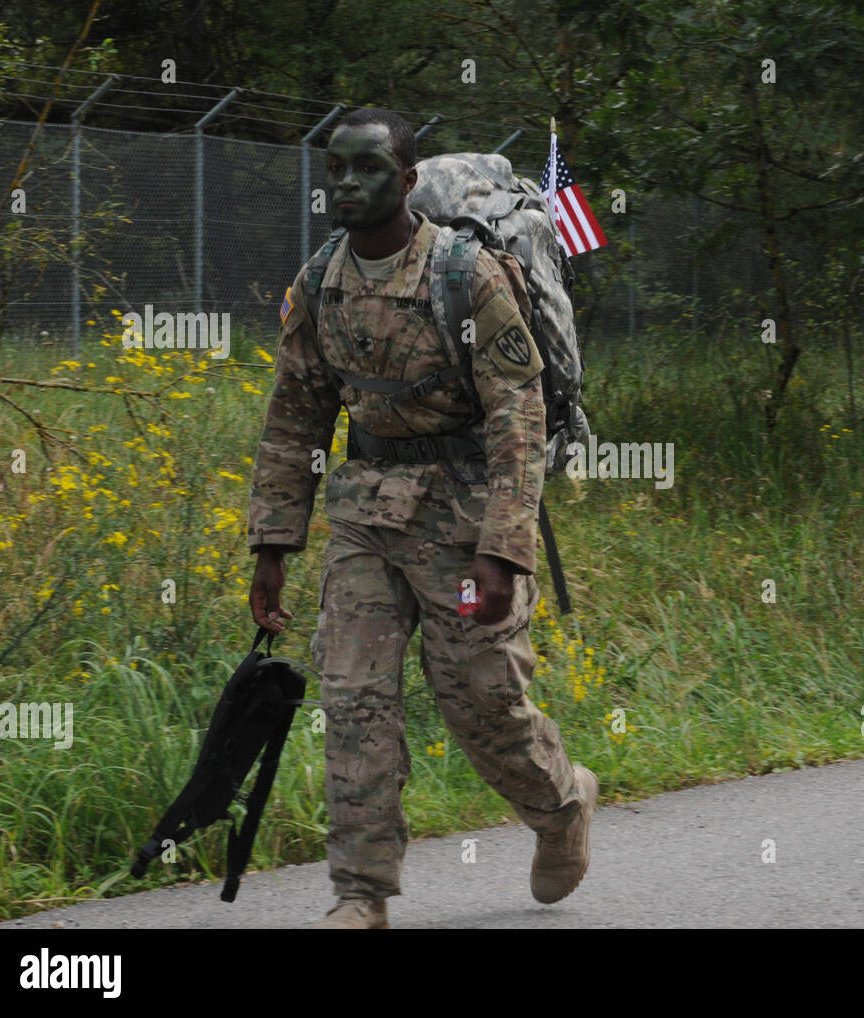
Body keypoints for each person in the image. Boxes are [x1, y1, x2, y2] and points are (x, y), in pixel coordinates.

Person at [246, 107, 598, 929]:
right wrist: (273, 543)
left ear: (406, 183)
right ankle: (360, 896)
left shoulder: (465, 276)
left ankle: (560, 808)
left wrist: (506, 550)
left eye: (368, 169)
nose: (347, 184)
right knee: (354, 699)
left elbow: (518, 412)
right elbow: (294, 418)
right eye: (336, 169)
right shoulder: (321, 284)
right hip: (368, 514)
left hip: (467, 517)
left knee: (480, 698)